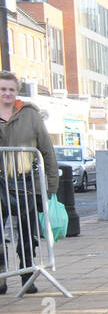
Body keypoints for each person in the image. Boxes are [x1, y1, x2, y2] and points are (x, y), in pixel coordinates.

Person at [0, 70, 59, 294]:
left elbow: (46, 150)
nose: (7, 93)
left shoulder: (30, 114)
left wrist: (51, 186)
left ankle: (27, 275)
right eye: (2, 89)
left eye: (11, 89)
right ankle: (1, 276)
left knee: (27, 234)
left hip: (26, 182)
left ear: (17, 92)